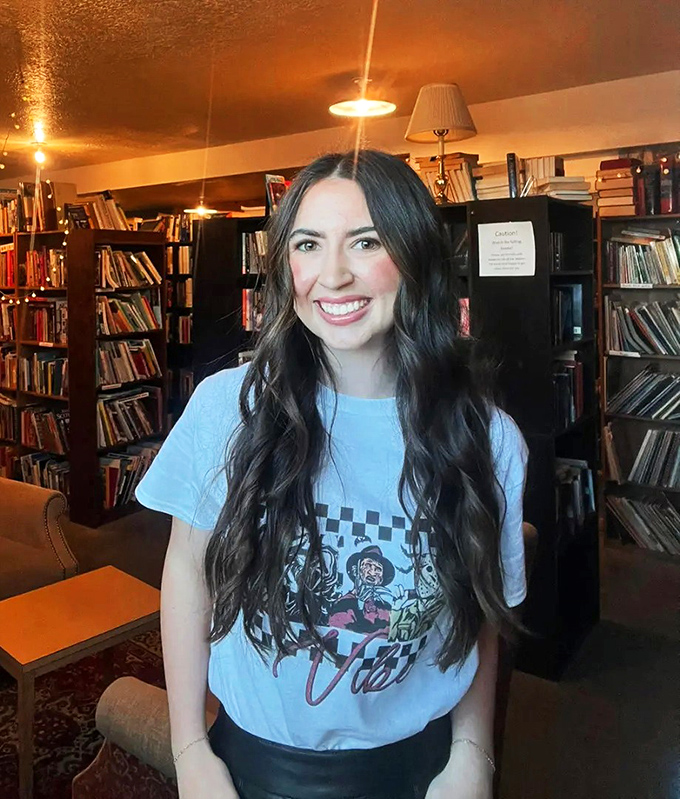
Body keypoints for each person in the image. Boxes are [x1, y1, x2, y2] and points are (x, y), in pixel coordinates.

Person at [135, 149, 529, 799]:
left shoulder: (490, 442)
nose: (333, 275)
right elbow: (185, 568)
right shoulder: (227, 408)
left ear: (415, 258)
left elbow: (477, 614)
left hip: (419, 770)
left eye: (366, 241)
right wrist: (190, 750)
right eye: (309, 244)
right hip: (252, 768)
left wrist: (473, 753)